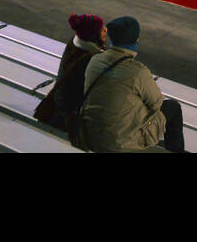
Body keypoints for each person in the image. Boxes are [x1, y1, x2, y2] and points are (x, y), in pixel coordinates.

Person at [79, 16, 185, 153]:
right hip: (121, 145)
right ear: (136, 40)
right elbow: (157, 103)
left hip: (90, 135)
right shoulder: (137, 71)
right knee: (173, 107)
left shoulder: (95, 60)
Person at [44, 14, 108, 145]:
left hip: (62, 108)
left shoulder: (75, 46)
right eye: (102, 29)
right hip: (70, 117)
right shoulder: (90, 59)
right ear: (93, 35)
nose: (106, 30)